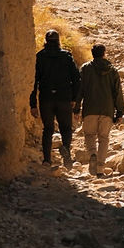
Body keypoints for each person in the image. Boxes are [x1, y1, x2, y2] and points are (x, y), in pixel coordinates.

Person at [29, 28, 81, 167]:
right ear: (58, 41)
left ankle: (47, 160)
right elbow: (76, 79)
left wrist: (33, 104)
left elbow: (33, 82)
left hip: (46, 98)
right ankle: (66, 151)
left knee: (48, 129)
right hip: (64, 97)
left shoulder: (39, 57)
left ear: (46, 41)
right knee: (65, 127)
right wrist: (74, 98)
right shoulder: (67, 56)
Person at [78, 42, 124, 175]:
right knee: (104, 138)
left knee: (89, 135)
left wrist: (76, 107)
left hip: (90, 108)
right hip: (107, 110)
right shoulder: (112, 70)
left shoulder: (85, 68)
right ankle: (100, 169)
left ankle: (92, 153)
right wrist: (120, 111)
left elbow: (79, 89)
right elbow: (117, 92)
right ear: (104, 54)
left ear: (92, 54)